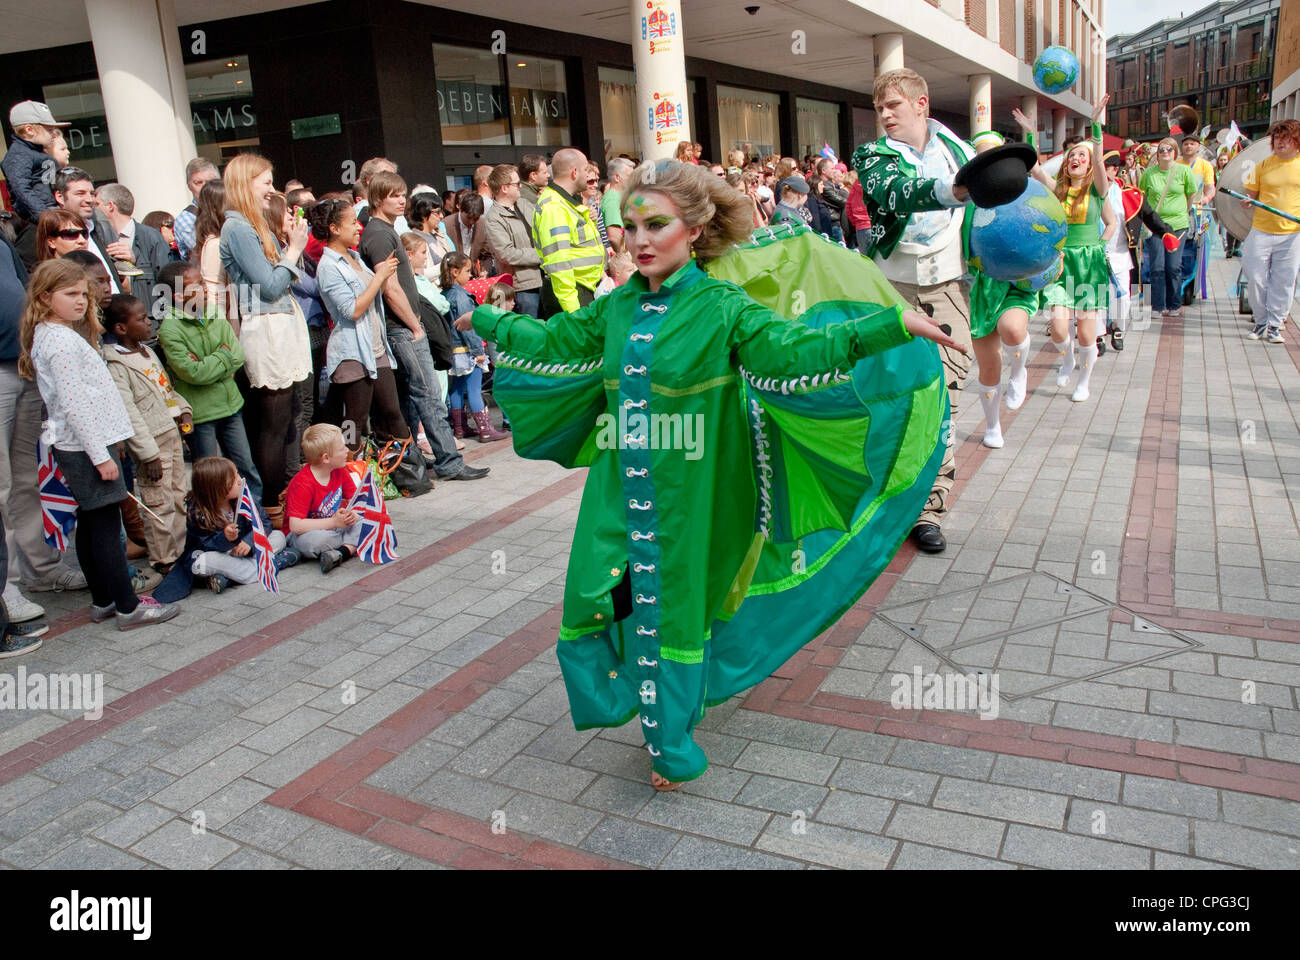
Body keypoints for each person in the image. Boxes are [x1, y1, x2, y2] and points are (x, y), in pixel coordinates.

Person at [454, 160, 960, 787]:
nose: (637, 241)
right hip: (617, 489)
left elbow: (791, 351)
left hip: (693, 496)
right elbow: (558, 340)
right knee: (593, 595)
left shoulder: (723, 306)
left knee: (670, 612)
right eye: (629, 226)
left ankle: (669, 741)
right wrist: (490, 319)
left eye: (656, 225)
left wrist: (889, 324)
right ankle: (632, 699)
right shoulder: (616, 309)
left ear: (694, 230)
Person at [851, 67, 976, 554]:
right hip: (890, 291)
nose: (883, 115)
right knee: (892, 396)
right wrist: (955, 189)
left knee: (945, 399)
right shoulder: (872, 155)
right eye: (879, 107)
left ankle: (929, 509)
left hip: (949, 290)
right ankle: (888, 502)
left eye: (893, 106)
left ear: (921, 104)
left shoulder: (959, 151)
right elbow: (896, 193)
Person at [18, 260, 179, 629]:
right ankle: (127, 606)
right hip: (84, 446)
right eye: (70, 294)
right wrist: (99, 455)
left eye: (83, 294)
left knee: (93, 524)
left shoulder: (58, 333)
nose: (81, 301)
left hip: (86, 443)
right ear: (45, 297)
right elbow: (75, 405)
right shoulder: (58, 341)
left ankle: (104, 599)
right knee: (105, 527)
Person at [356, 173, 486, 481]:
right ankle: (449, 461)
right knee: (428, 394)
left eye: (403, 194)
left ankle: (418, 459)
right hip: (401, 327)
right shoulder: (378, 234)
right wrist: (415, 326)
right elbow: (389, 287)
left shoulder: (385, 231)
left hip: (404, 326)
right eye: (393, 195)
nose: (402, 200)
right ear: (377, 199)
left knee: (413, 397)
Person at [219, 154, 313, 523]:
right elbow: (272, 286)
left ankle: (285, 498)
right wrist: (293, 248)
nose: (273, 190)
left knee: (290, 416)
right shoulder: (237, 228)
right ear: (245, 184)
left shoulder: (254, 225)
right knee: (274, 423)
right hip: (267, 327)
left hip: (283, 324)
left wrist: (291, 246)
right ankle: (271, 506)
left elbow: (293, 279)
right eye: (266, 183)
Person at [156, 260, 263, 504]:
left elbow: (237, 355)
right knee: (208, 477)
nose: (205, 288)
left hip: (230, 406)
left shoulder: (214, 311)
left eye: (204, 282)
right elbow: (193, 373)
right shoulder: (170, 329)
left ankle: (254, 518)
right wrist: (222, 356)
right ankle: (213, 524)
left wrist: (211, 362)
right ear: (179, 296)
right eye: (198, 284)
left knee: (246, 468)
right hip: (201, 414)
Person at [1031, 96, 1114, 402]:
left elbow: (1100, 161)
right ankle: (1067, 358)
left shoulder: (1097, 189)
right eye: (1071, 155)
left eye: (1082, 155)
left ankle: (1084, 381)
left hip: (1089, 265)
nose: (1075, 158)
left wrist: (1095, 127)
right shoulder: (1060, 189)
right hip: (1063, 262)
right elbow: (1036, 171)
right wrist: (1031, 134)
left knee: (1086, 334)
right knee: (1057, 328)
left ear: (1091, 162)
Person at [101, 294, 193, 571]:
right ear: (120, 328)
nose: (149, 322)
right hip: (152, 443)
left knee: (178, 495)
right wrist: (147, 453)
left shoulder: (148, 352)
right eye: (141, 319)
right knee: (158, 501)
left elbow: (166, 388)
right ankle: (164, 558)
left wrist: (183, 408)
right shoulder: (118, 365)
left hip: (171, 433)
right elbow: (129, 412)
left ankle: (180, 549)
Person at [312, 199, 413, 448]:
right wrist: (379, 277)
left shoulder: (355, 256)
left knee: (392, 411)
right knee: (354, 421)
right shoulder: (328, 266)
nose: (359, 227)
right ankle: (348, 463)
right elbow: (352, 310)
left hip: (376, 348)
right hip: (352, 354)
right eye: (351, 222)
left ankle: (408, 468)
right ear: (334, 229)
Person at [963, 130, 1036, 448]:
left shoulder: (1026, 193)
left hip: (1015, 282)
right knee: (988, 366)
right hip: (979, 288)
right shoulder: (962, 203)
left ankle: (1019, 371)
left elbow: (1048, 230)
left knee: (1012, 329)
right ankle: (993, 426)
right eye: (980, 156)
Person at [176, 457, 299, 595]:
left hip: (246, 551)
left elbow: (264, 522)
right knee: (202, 563)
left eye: (237, 474)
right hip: (223, 553)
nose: (240, 480)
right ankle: (275, 563)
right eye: (233, 480)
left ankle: (231, 577)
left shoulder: (243, 495)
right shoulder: (198, 512)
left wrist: (248, 541)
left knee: (278, 536)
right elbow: (205, 545)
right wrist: (226, 537)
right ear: (217, 488)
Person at [1241, 119, 1300, 344]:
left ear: (1296, 140)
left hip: (1292, 233)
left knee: (1284, 279)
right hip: (1262, 230)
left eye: (1286, 138)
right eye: (1277, 138)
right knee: (1254, 275)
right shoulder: (1263, 165)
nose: (1280, 142)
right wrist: (1246, 201)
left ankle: (1275, 324)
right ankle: (1261, 320)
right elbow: (1250, 195)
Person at [442, 252, 508, 443]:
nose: (470, 275)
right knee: (473, 389)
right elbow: (468, 328)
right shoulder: (461, 297)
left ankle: (460, 428)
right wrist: (478, 351)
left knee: (457, 389)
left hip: (454, 351)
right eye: (467, 271)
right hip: (467, 350)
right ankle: (485, 429)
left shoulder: (445, 293)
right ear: (455, 272)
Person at [534, 148, 606, 314]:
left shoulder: (564, 203)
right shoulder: (554, 206)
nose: (588, 177)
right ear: (575, 172)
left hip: (580, 288)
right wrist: (573, 312)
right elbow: (559, 262)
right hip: (572, 294)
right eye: (585, 171)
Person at [284, 423, 361, 574]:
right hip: (303, 534)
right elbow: (295, 526)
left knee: (370, 517)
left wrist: (353, 514)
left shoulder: (339, 470)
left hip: (334, 526)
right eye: (342, 448)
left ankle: (344, 551)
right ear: (326, 458)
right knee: (319, 540)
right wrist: (334, 522)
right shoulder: (303, 483)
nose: (347, 450)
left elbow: (356, 500)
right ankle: (353, 545)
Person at [1139, 137, 1197, 320]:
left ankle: (1174, 303)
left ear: (1175, 152)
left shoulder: (1184, 171)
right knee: (1157, 266)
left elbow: (1191, 195)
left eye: (1169, 149)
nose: (1165, 152)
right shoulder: (1149, 174)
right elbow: (1142, 197)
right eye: (1161, 149)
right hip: (1155, 225)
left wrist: (1182, 212)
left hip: (1178, 226)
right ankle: (1158, 305)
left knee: (1172, 266)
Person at [482, 163, 543, 317]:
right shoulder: (493, 218)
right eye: (516, 184)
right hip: (523, 287)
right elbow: (506, 254)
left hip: (545, 279)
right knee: (529, 334)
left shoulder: (523, 205)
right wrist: (541, 255)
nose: (520, 187)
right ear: (504, 188)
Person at [95, 183, 173, 304]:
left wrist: (136, 262)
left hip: (150, 316)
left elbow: (167, 281)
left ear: (110, 206)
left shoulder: (150, 237)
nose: (93, 210)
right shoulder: (97, 238)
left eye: (97, 204)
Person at [1, 101, 69, 223]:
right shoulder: (19, 154)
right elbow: (21, 189)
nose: (54, 134)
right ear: (29, 130)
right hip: (44, 215)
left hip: (55, 210)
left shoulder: (36, 152)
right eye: (49, 129)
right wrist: (45, 217)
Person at [190, 180, 234, 323]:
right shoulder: (215, 244)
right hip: (226, 324)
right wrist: (220, 331)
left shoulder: (219, 240)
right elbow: (214, 294)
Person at [173, 157, 219, 261]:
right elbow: (206, 254)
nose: (205, 187)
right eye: (198, 182)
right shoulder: (186, 218)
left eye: (209, 182)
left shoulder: (229, 208)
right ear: (189, 186)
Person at [601, 158, 634, 254]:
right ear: (617, 177)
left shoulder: (617, 197)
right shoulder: (613, 199)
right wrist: (624, 255)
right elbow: (614, 236)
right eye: (630, 176)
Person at [516, 155, 550, 240]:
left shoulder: (531, 193)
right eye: (545, 172)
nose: (548, 175)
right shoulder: (527, 197)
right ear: (533, 175)